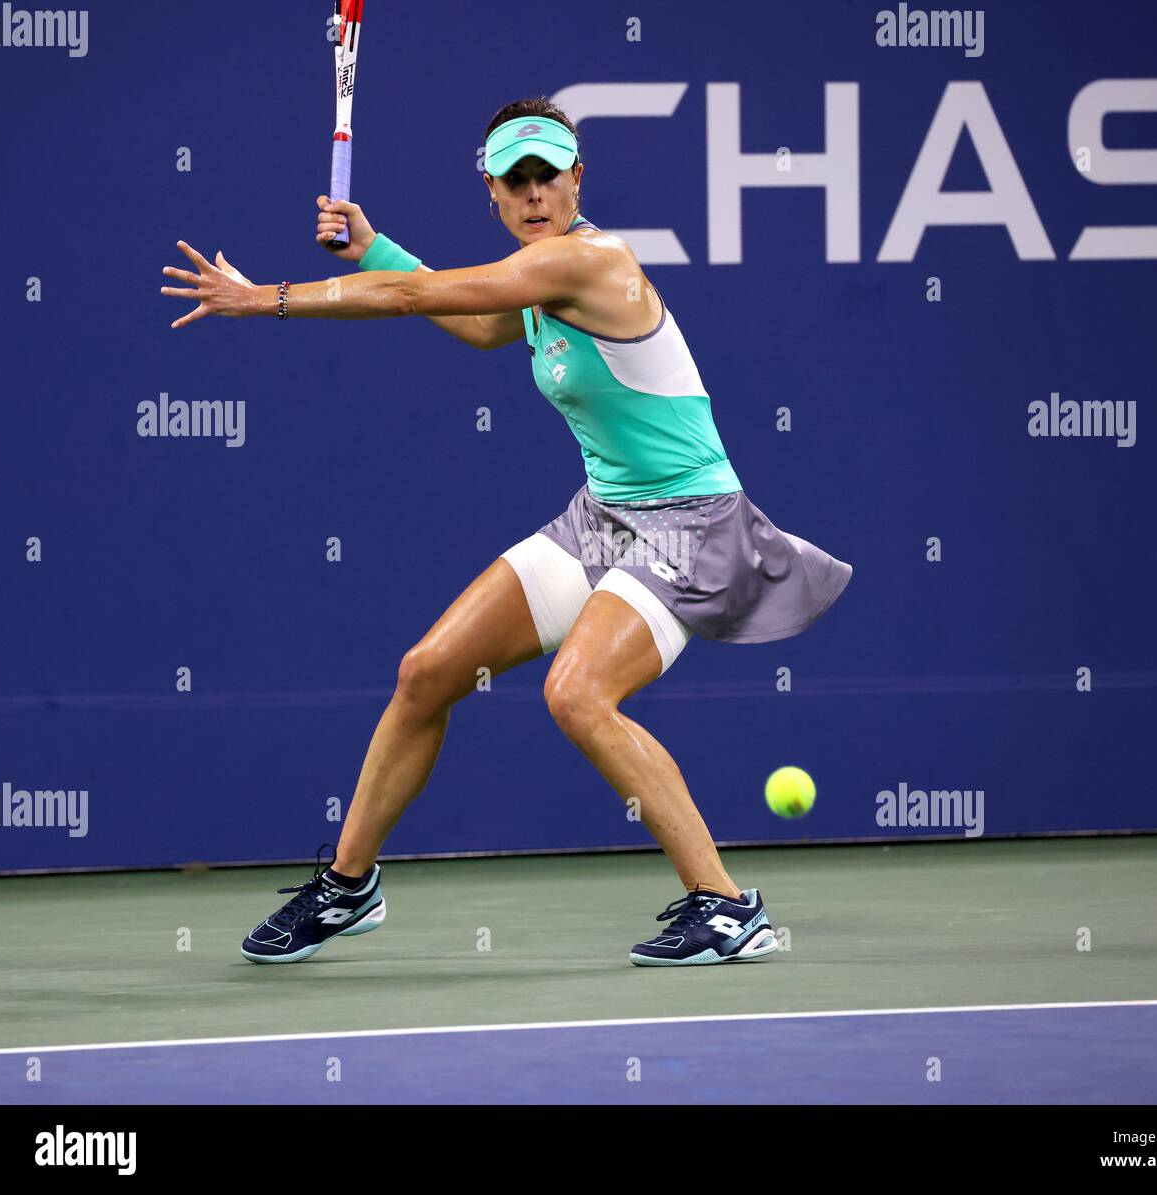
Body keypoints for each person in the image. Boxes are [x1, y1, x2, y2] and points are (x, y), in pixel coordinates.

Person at [160, 97, 852, 967]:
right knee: (428, 672)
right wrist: (373, 244)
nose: (533, 194)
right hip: (604, 516)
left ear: (577, 179)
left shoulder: (589, 261)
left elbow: (415, 297)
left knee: (577, 693)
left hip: (693, 524)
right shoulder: (534, 278)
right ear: (490, 190)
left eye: (547, 176)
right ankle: (347, 886)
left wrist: (266, 298)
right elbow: (476, 320)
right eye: (514, 180)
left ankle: (722, 905)